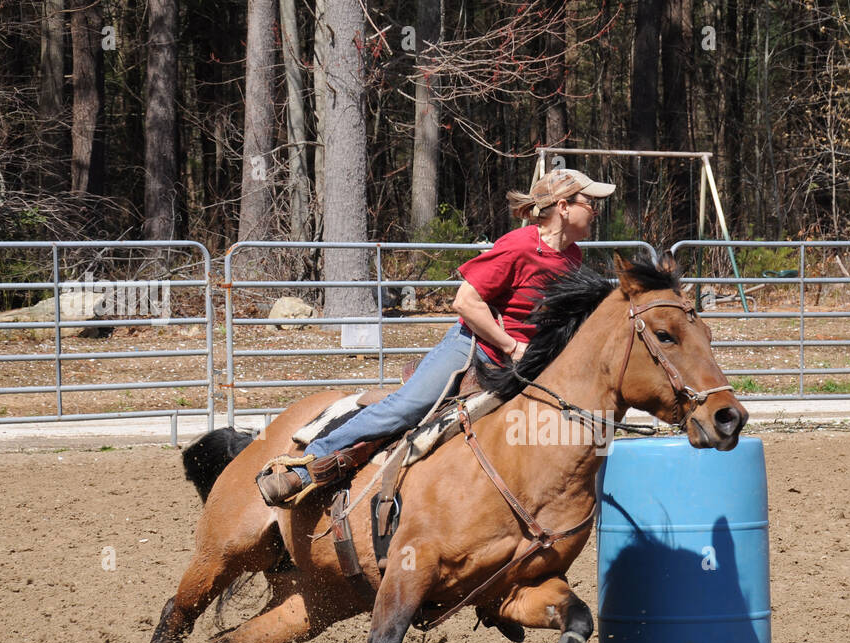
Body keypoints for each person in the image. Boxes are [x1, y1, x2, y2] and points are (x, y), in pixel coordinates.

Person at [256, 168, 615, 505]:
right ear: (564, 208)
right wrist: (511, 346)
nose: (595, 211)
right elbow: (466, 301)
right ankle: (306, 465)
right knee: (406, 408)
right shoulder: (519, 245)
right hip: (477, 350)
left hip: (530, 362)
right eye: (590, 203)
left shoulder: (571, 256)